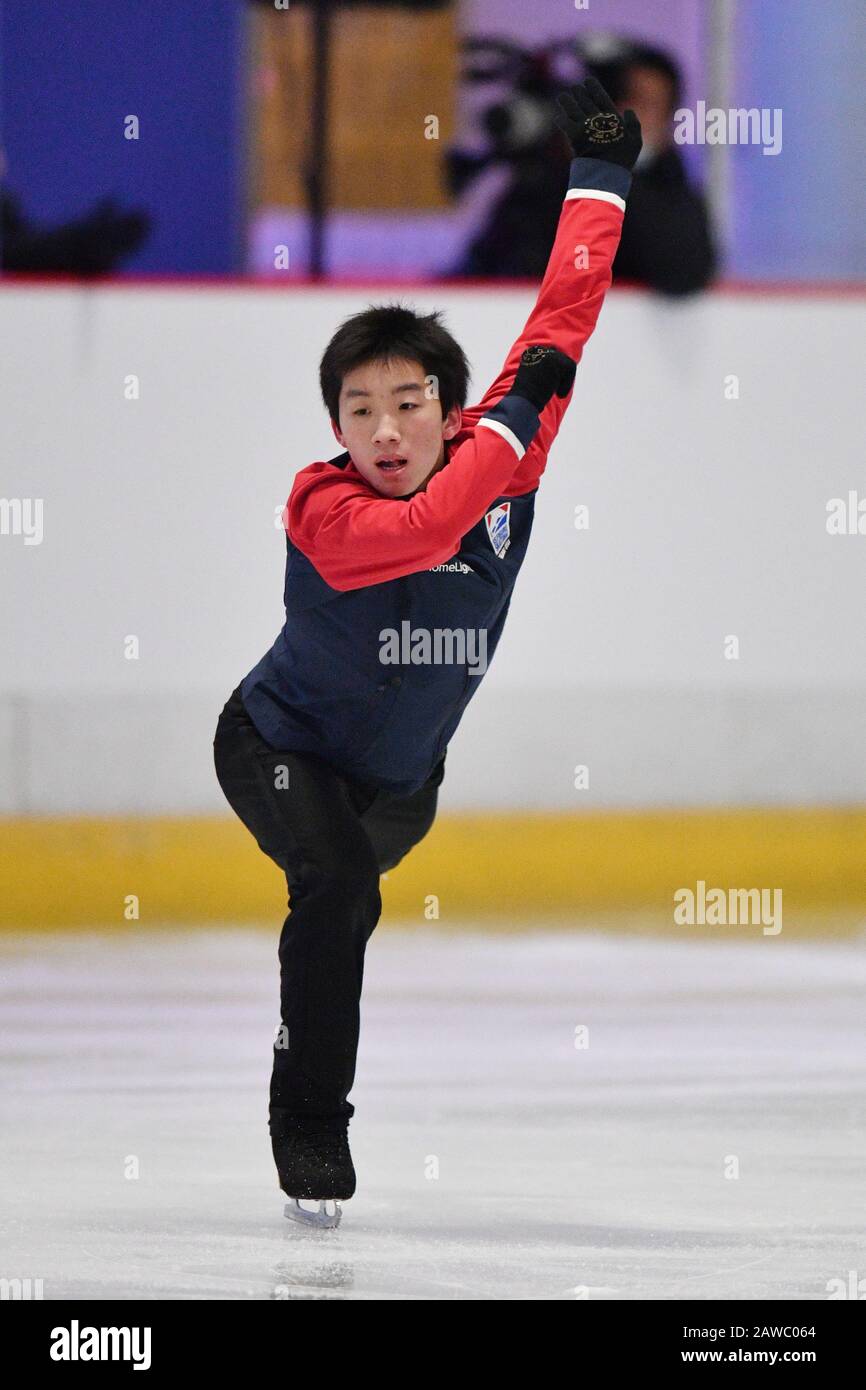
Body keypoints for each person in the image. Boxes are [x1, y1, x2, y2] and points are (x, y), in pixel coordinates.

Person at [213, 77, 641, 1227]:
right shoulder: (324, 506)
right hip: (277, 745)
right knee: (336, 886)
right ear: (334, 429)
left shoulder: (500, 454)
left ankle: (318, 998)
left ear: (445, 410)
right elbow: (426, 529)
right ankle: (309, 1121)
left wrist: (601, 175)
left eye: (408, 403)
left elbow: (560, 320)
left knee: (349, 890)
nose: (385, 429)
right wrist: (509, 425)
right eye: (359, 410)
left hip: (405, 786)